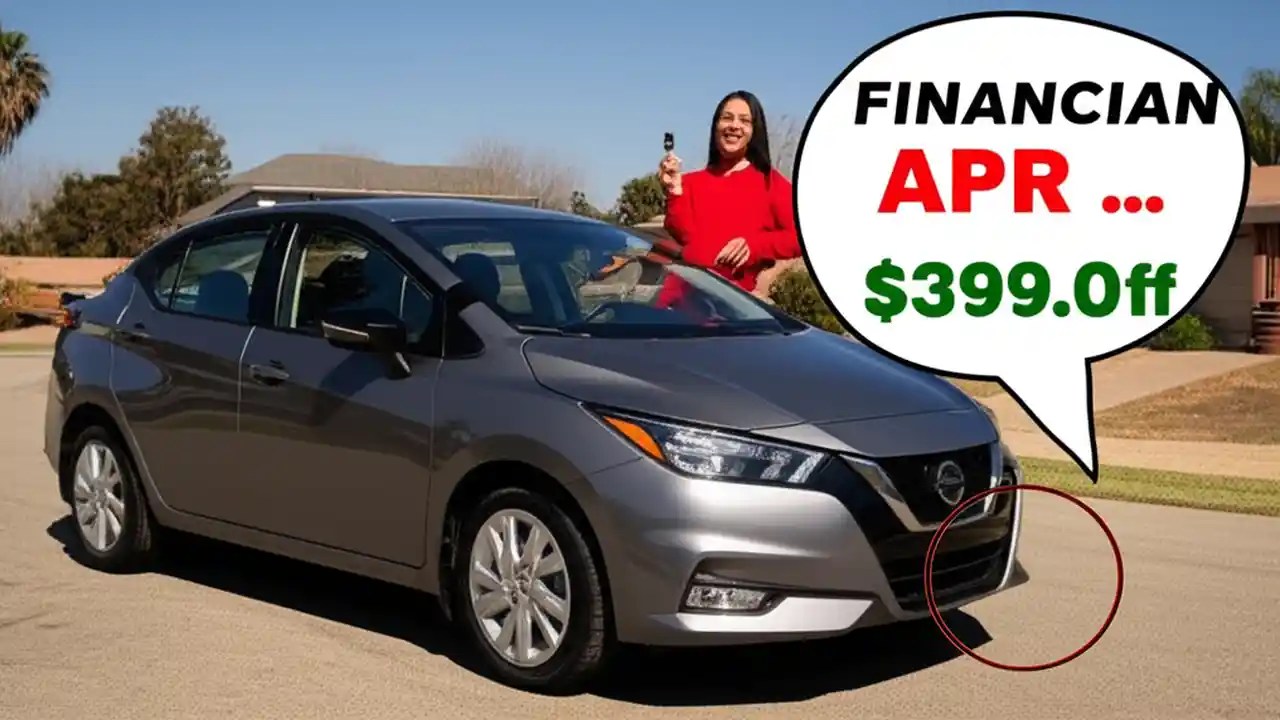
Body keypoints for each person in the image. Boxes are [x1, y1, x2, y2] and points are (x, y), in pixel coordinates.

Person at [656, 90, 801, 307]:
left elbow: (801, 236)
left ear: (754, 131)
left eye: (744, 120)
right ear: (716, 126)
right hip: (681, 301)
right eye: (727, 118)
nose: (734, 125)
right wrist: (675, 190)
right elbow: (686, 236)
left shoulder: (770, 182)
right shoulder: (691, 182)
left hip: (734, 307)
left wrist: (755, 246)